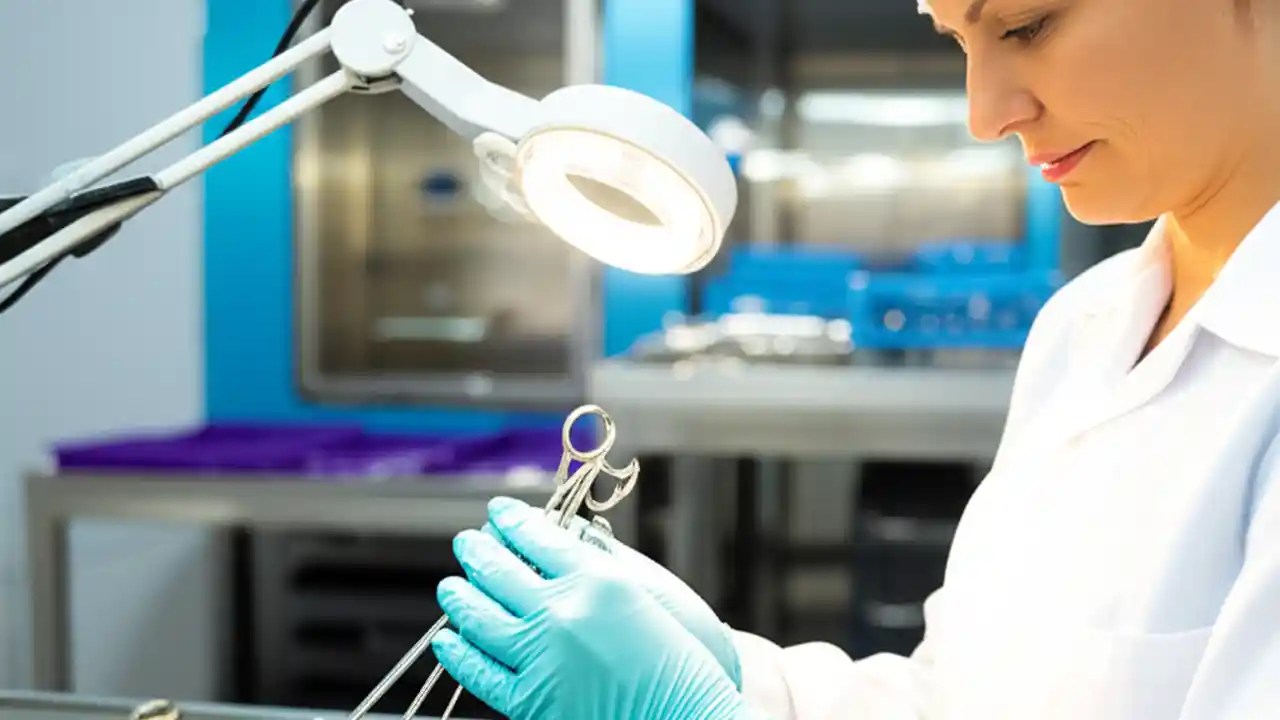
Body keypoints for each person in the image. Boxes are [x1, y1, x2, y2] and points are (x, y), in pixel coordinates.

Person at [428, 0, 1280, 717]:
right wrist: (742, 679)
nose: (984, 113)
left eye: (1025, 25)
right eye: (956, 40)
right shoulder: (1083, 329)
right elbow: (964, 697)